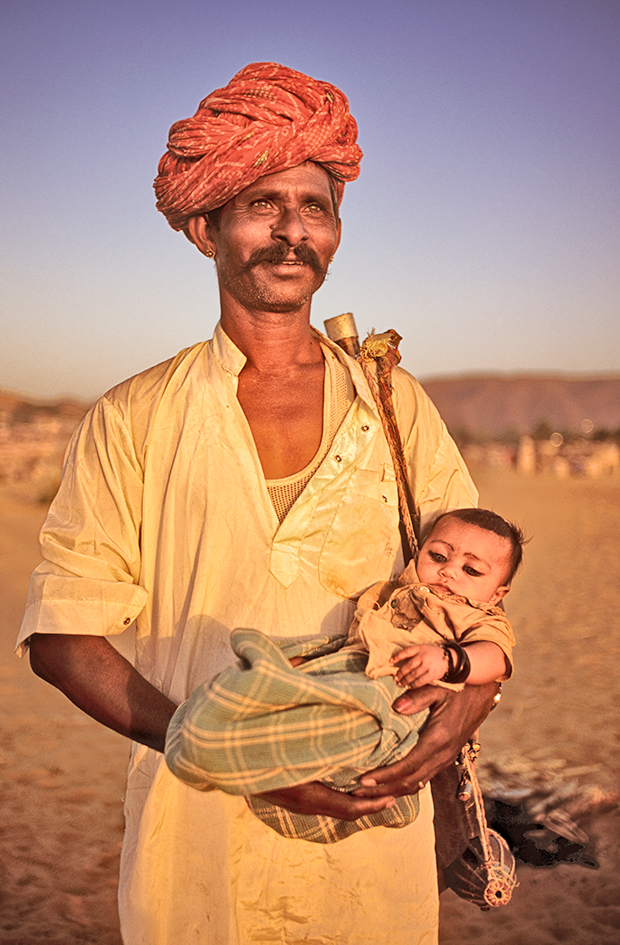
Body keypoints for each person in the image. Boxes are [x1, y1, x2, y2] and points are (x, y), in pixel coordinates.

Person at [17, 62, 498, 945]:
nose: (290, 232)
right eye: (261, 204)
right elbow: (62, 636)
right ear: (205, 227)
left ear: (338, 231)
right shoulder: (133, 417)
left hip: (374, 841)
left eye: (313, 206)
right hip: (192, 841)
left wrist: (460, 710)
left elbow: (475, 591)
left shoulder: (395, 404)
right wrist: (234, 755)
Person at [164, 508, 522, 844]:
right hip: (355, 658)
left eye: (471, 571)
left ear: (499, 593)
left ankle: (226, 744)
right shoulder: (406, 589)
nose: (450, 572)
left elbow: (496, 659)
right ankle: (242, 706)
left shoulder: (480, 617)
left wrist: (448, 660)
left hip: (396, 687)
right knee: (290, 663)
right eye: (438, 557)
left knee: (347, 716)